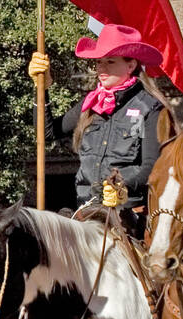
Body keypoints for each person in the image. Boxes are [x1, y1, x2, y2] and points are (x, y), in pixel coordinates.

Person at [28, 24, 166, 238]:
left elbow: (153, 167)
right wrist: (41, 89)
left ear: (131, 65)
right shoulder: (90, 103)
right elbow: (46, 133)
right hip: (84, 213)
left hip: (127, 215)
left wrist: (122, 187)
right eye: (99, 62)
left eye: (110, 62)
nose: (101, 69)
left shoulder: (150, 108)